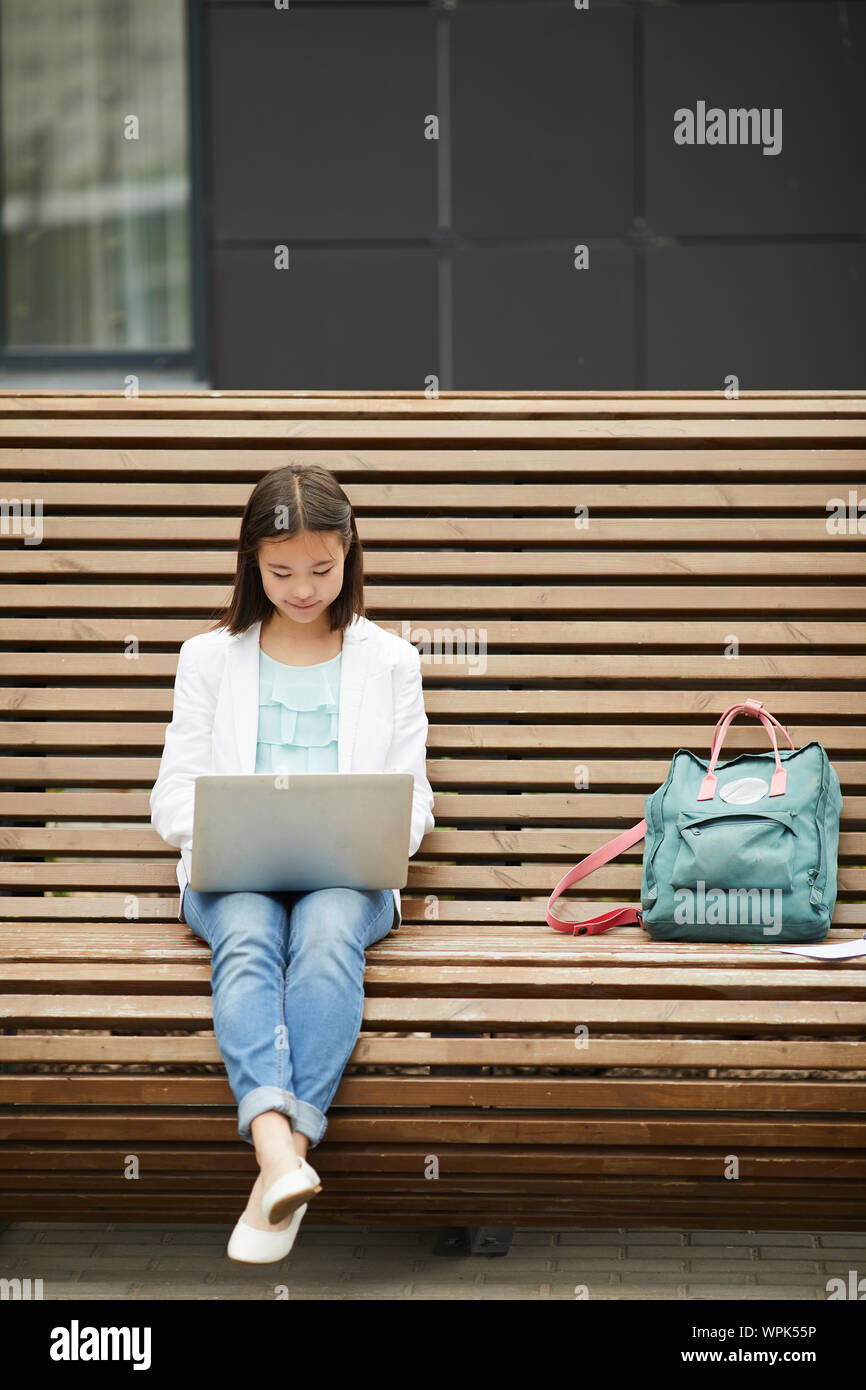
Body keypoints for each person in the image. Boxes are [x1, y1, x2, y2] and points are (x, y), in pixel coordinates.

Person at [149, 462, 435, 1263]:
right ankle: (282, 1155)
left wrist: (372, 831)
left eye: (322, 568)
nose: (303, 588)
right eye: (280, 572)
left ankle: (276, 1163)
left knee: (325, 934)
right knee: (246, 937)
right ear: (251, 564)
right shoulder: (209, 658)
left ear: (350, 554)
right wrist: (219, 827)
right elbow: (171, 796)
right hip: (232, 874)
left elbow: (414, 804)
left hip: (347, 877)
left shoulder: (389, 661)